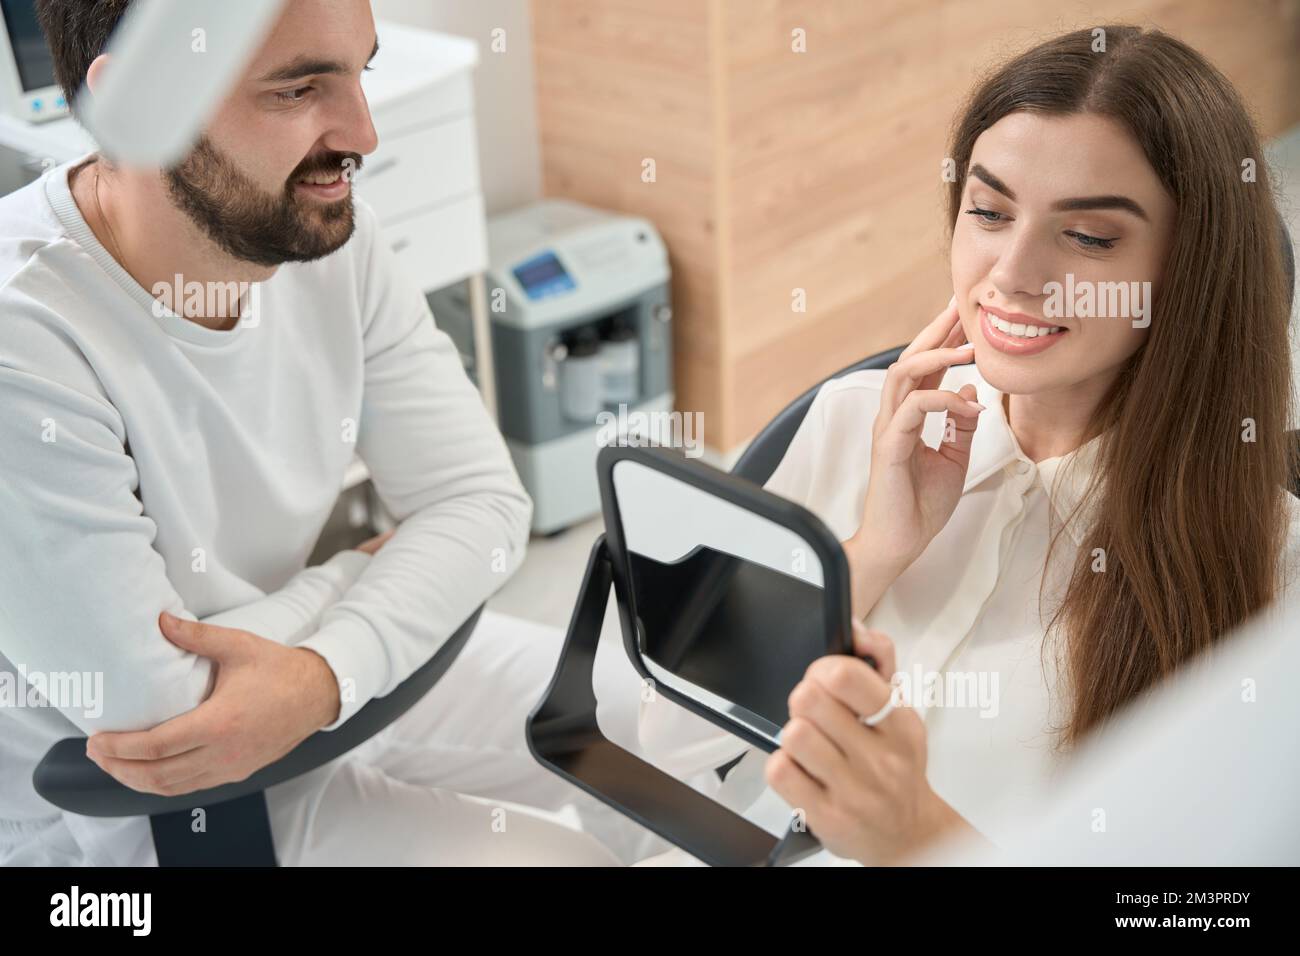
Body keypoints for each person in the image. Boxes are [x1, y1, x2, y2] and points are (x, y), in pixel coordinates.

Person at [0, 0, 654, 865]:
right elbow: (162, 713)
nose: (363, 134)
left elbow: (483, 505)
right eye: (298, 88)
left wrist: (325, 673)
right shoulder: (26, 335)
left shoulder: (331, 244)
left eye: (360, 72)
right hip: (161, 805)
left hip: (307, 686)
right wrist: (366, 571)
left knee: (673, 731)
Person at [636, 24, 1300, 866]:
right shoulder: (854, 422)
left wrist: (921, 840)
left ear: (1190, 271)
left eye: (1089, 237)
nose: (1013, 272)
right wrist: (871, 553)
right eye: (989, 212)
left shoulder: (1272, 574)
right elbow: (670, 741)